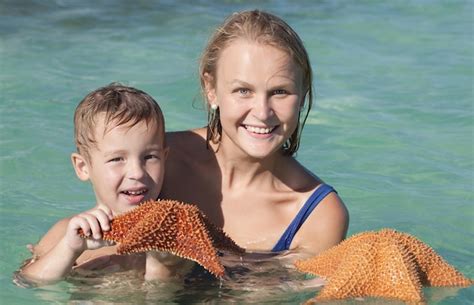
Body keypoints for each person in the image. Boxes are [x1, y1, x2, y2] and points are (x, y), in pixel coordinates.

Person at [160, 10, 349, 257]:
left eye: (280, 91)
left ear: (303, 94)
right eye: (243, 91)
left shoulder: (317, 216)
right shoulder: (159, 160)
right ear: (211, 89)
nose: (262, 112)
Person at [19, 84, 190, 284]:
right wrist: (69, 248)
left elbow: (165, 299)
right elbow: (27, 282)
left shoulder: (179, 236)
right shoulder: (68, 232)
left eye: (149, 156)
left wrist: (162, 265)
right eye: (117, 159)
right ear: (83, 167)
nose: (137, 172)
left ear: (164, 158)